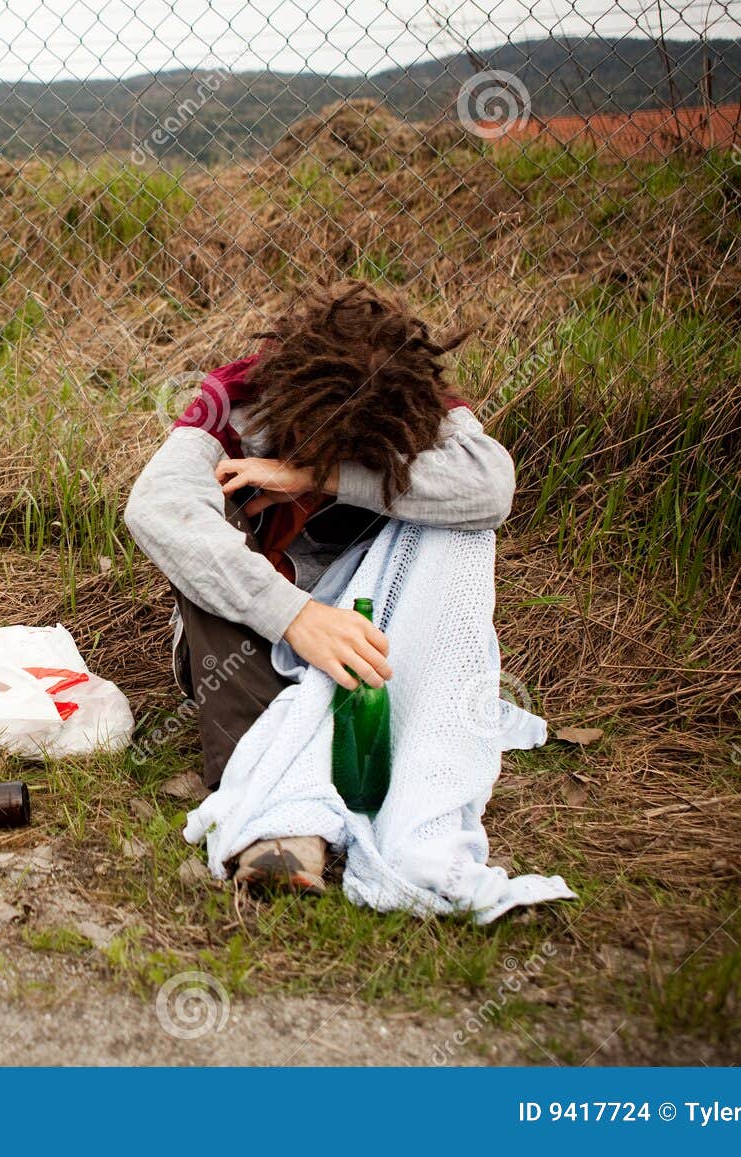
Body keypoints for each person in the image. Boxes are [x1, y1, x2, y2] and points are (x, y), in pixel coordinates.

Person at [124, 280, 515, 892]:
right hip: (259, 639)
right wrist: (296, 617)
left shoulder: (414, 400)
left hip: (372, 639)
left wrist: (319, 475)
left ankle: (416, 760)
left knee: (461, 524)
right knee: (204, 525)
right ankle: (281, 817)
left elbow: (490, 489)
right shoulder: (234, 397)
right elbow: (154, 507)